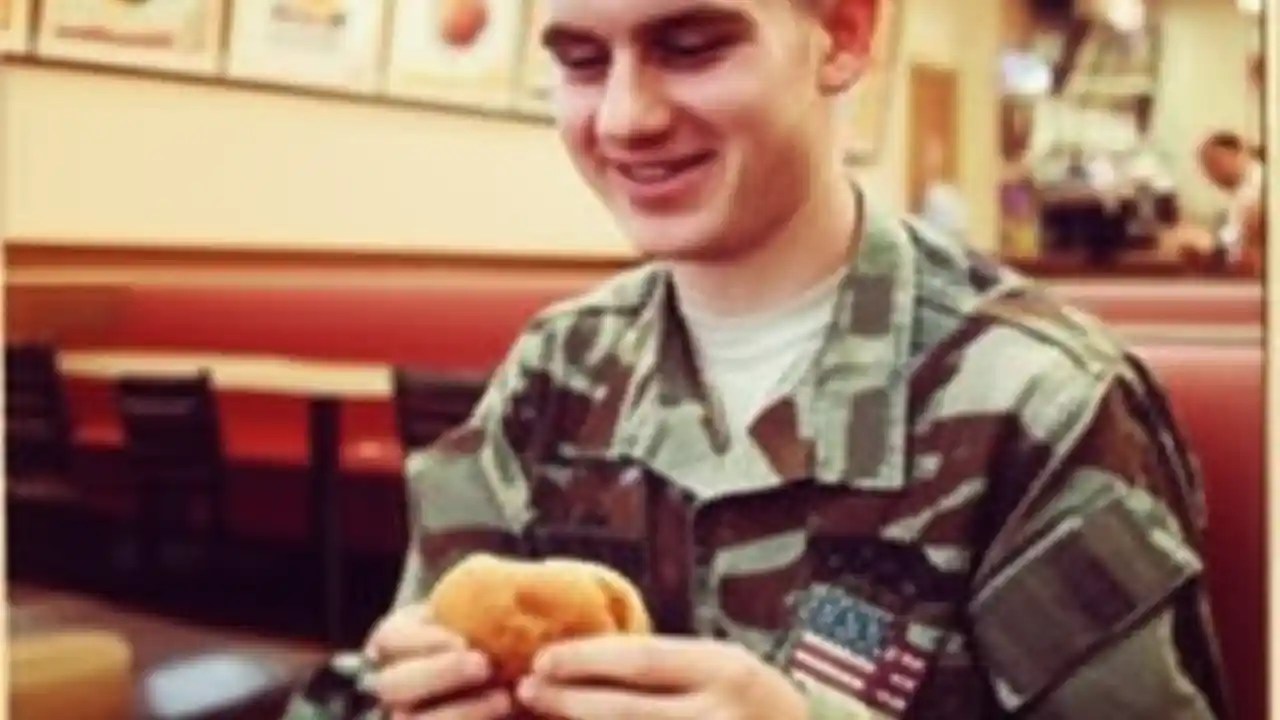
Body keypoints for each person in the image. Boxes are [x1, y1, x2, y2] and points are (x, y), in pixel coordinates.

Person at [283, 0, 1229, 717]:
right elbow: (382, 674)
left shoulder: (1035, 403)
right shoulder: (554, 372)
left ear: (846, 33)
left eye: (692, 47)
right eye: (581, 61)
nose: (622, 119)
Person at [1197, 131, 1265, 269]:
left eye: (1215, 163)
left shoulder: (1260, 185)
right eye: (1206, 167)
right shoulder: (1241, 192)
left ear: (1238, 153)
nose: (1211, 174)